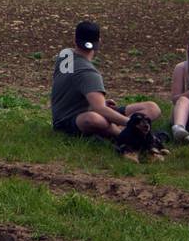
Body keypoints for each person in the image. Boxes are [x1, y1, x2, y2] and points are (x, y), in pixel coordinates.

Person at [50, 20, 161, 158]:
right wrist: (131, 123)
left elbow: (68, 84)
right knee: (95, 119)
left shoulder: (65, 54)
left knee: (152, 107)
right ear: (98, 43)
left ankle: (124, 130)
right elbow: (100, 109)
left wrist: (95, 101)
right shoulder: (89, 73)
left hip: (82, 108)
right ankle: (125, 135)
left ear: (75, 40)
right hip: (69, 120)